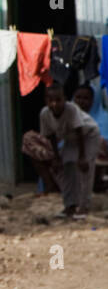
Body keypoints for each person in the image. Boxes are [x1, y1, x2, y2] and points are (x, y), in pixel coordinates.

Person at [40, 82, 99, 218]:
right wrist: (56, 157)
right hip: (70, 138)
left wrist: (82, 157)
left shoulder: (71, 109)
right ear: (46, 101)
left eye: (58, 100)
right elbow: (51, 136)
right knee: (64, 168)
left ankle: (84, 207)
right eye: (51, 100)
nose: (55, 104)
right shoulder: (44, 114)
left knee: (85, 169)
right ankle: (70, 205)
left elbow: (80, 131)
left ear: (65, 99)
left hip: (87, 136)